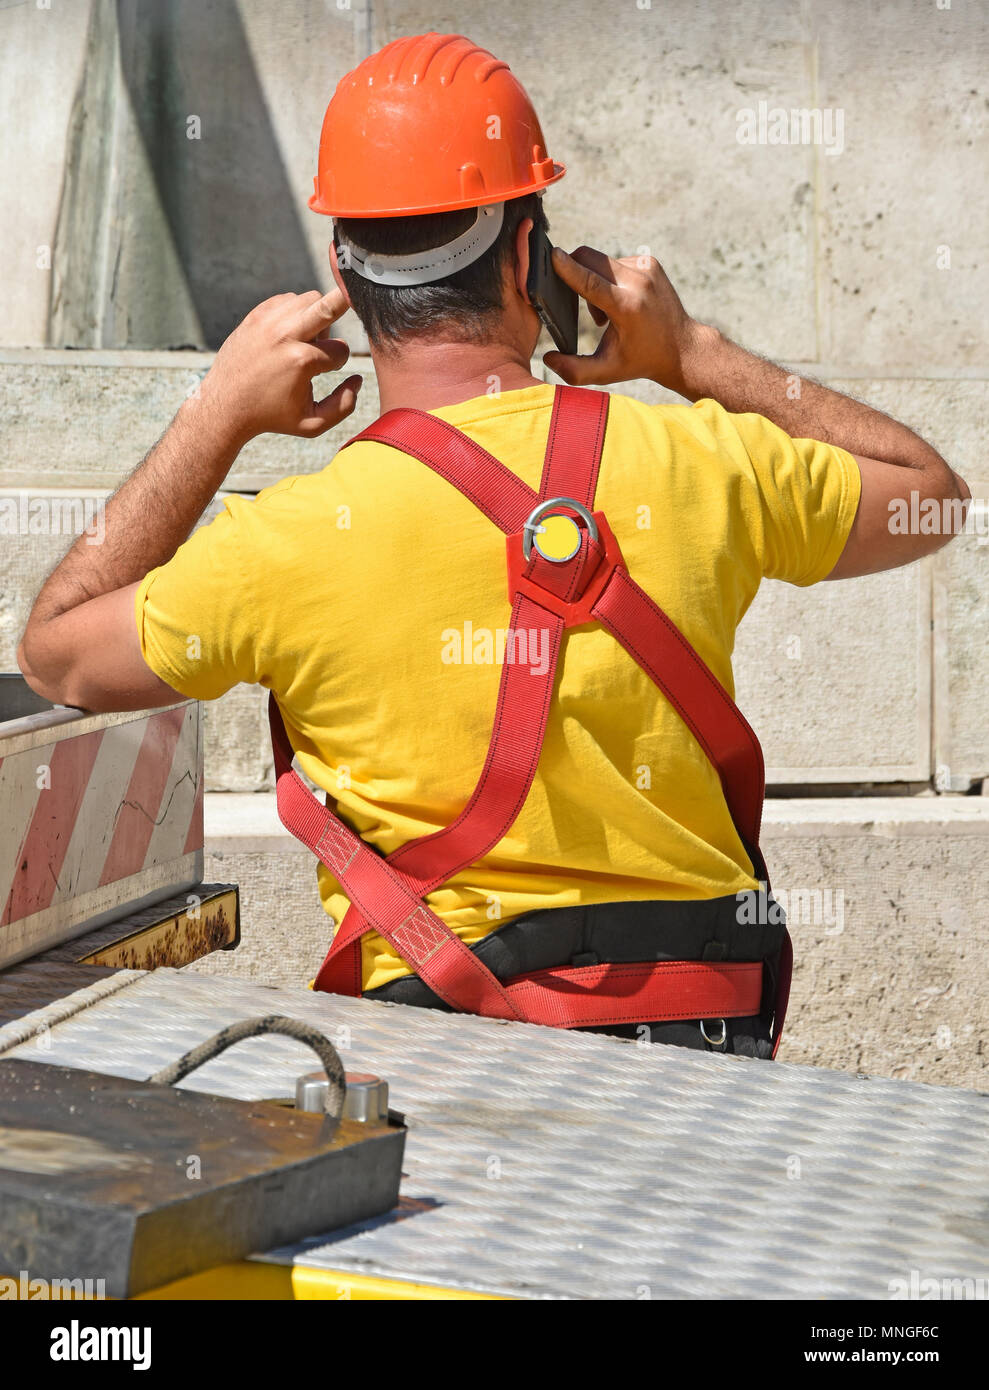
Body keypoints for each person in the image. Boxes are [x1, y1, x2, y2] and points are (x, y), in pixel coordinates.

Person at [18, 33, 969, 1057]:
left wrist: (215, 413)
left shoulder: (284, 545)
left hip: (435, 1062)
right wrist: (696, 356)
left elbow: (55, 650)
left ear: (343, 270)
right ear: (525, 256)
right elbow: (930, 493)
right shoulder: (702, 460)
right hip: (707, 1054)